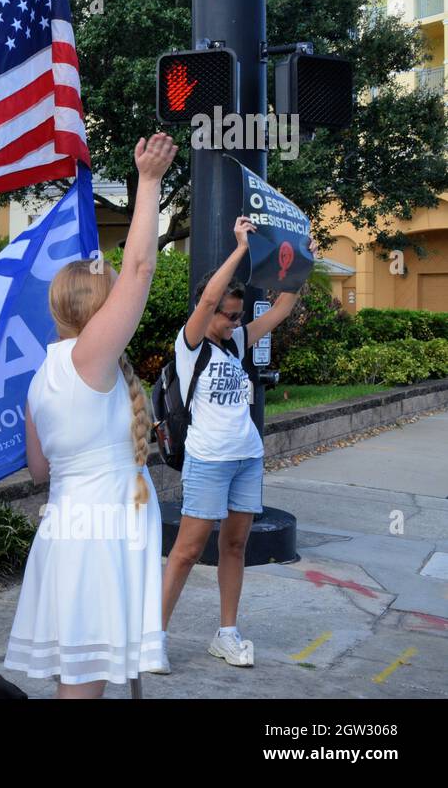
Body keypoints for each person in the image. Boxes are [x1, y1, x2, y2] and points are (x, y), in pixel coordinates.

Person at [4, 133, 177, 698]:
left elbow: (38, 472)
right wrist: (148, 183)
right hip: (99, 541)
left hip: (72, 532)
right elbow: (140, 270)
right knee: (82, 689)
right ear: (101, 314)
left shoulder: (41, 377)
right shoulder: (90, 361)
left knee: (79, 684)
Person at [160, 218, 320, 669]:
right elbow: (211, 293)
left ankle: (226, 633)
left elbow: (282, 310)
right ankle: (154, 635)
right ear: (207, 313)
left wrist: (300, 259)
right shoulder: (191, 345)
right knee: (188, 550)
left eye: (237, 315)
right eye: (227, 315)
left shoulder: (238, 343)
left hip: (246, 458)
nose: (234, 322)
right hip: (208, 459)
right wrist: (240, 247)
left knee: (234, 547)